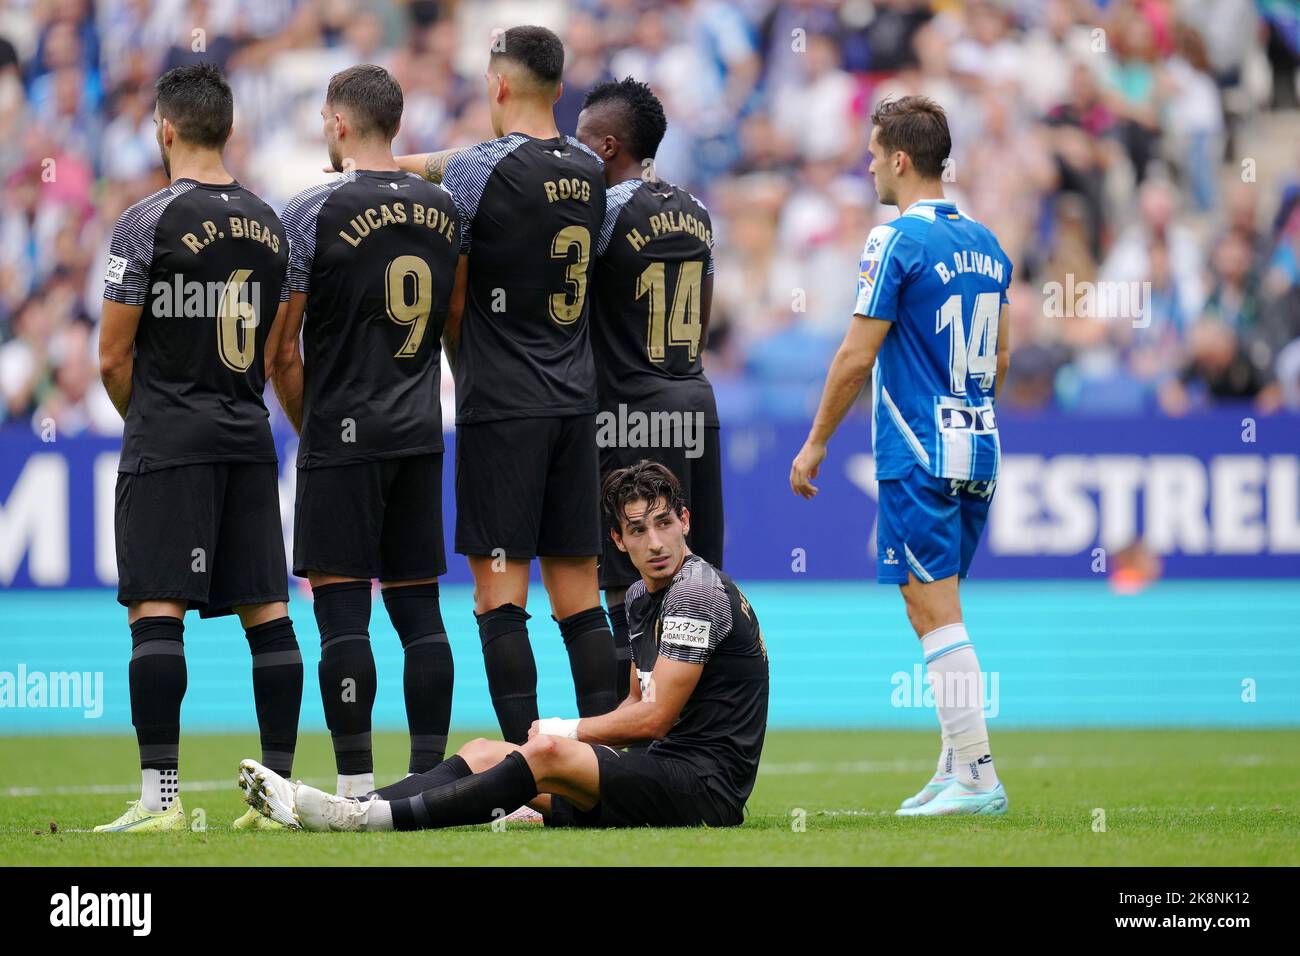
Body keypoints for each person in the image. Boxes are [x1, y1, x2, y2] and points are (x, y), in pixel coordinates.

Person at [237, 460, 769, 832]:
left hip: (705, 789)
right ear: (618, 541)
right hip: (661, 775)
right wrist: (581, 756)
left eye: (664, 523)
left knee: (546, 750)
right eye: (637, 530)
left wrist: (567, 733)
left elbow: (653, 720)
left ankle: (369, 820)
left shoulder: (697, 589)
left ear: (685, 522)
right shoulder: (638, 595)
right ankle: (343, 804)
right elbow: (635, 704)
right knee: (483, 751)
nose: (654, 542)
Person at [395, 26, 618, 745]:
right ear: (559, 89)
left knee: (500, 600)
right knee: (580, 598)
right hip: (573, 403)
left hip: (502, 405)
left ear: (496, 87)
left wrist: (358, 160)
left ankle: (533, 766)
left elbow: (454, 295)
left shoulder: (479, 170)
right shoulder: (589, 168)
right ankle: (605, 761)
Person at [790, 96, 1012, 816]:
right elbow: (1002, 357)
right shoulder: (986, 243)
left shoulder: (894, 241)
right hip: (977, 446)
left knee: (933, 614)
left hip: (917, 449)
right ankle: (955, 766)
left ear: (901, 160)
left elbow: (858, 354)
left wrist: (817, 441)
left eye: (872, 151)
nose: (867, 162)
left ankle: (978, 775)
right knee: (944, 606)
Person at [95, 64, 300, 832]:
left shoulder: (145, 220)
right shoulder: (271, 222)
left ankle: (162, 802)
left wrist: (147, 416)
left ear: (166, 130)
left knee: (157, 610)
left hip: (171, 436)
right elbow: (279, 347)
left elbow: (113, 358)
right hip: (248, 435)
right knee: (269, 613)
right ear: (230, 129)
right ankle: (279, 797)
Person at [268, 64, 461, 798]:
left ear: (340, 125)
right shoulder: (444, 210)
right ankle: (428, 786)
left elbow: (280, 351)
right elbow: (456, 322)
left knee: (345, 616)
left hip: (342, 438)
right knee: (421, 615)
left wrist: (313, 424)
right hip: (419, 432)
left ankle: (355, 788)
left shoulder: (311, 209)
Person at [574, 76, 724, 700]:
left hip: (631, 413)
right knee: (699, 578)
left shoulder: (602, 212)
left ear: (608, 147)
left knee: (626, 582)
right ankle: (703, 733)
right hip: (695, 402)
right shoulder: (698, 211)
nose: (571, 153)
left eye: (581, 141)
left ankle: (632, 735)